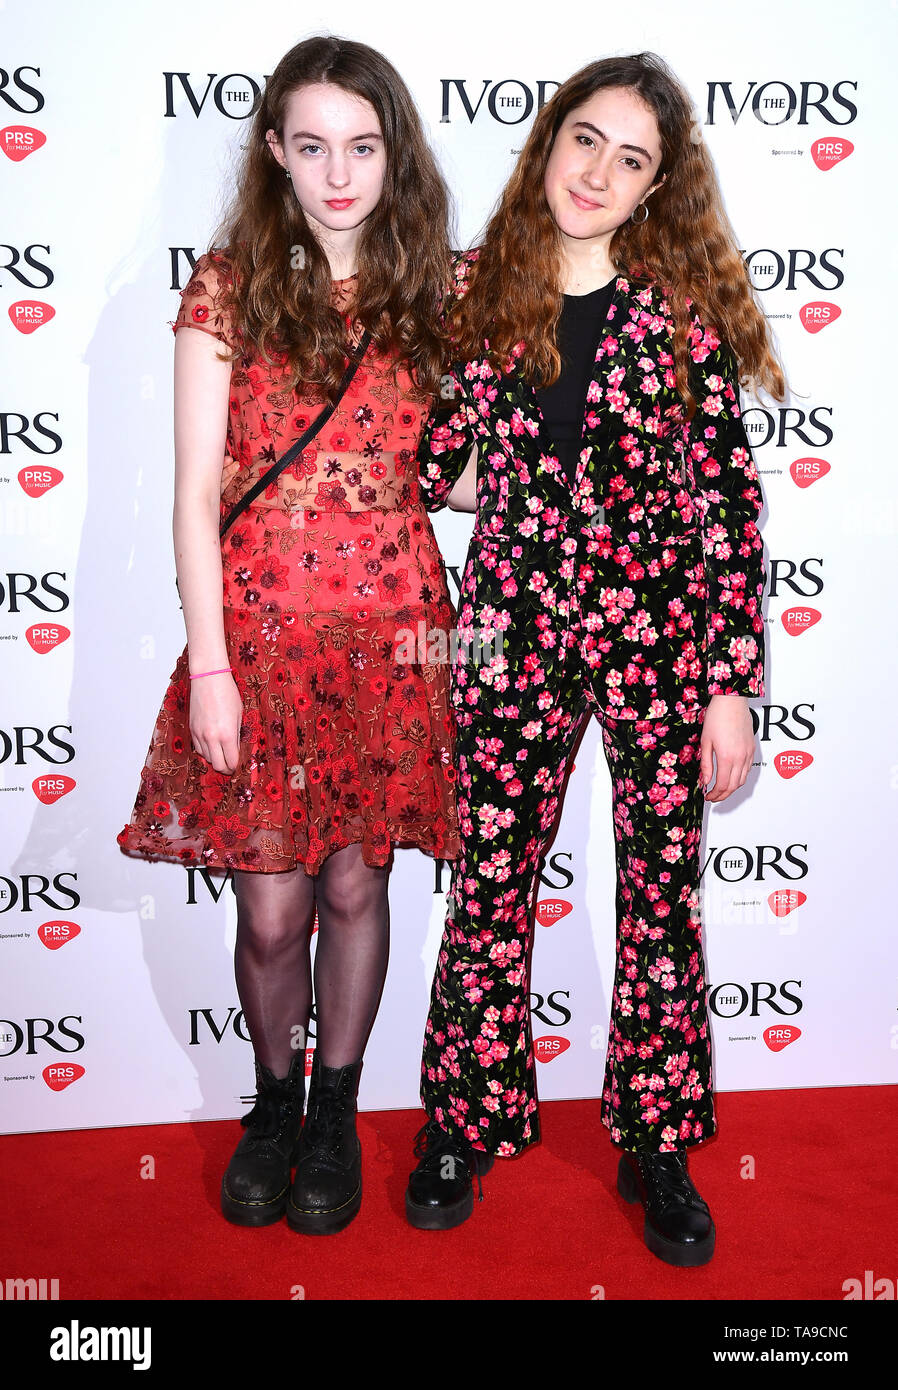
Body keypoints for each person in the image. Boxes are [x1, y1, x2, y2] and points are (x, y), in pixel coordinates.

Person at [404, 52, 785, 1265]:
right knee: (492, 881)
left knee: (660, 899)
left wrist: (730, 682)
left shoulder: (681, 311)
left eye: (631, 159)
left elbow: (728, 501)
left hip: (665, 634)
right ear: (547, 142)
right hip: (512, 628)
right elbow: (430, 455)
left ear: (655, 186)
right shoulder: (469, 290)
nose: (598, 172)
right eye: (585, 140)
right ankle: (463, 1122)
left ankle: (654, 1137)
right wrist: (510, 498)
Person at [117, 35, 460, 1235]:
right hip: (258, 644)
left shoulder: (437, 292)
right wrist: (208, 666)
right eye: (311, 145)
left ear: (391, 152)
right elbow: (191, 494)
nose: (338, 172)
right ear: (274, 152)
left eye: (361, 146)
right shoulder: (228, 287)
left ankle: (335, 1113)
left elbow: (450, 478)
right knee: (269, 908)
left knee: (358, 890)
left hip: (392, 638)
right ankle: (272, 1103)